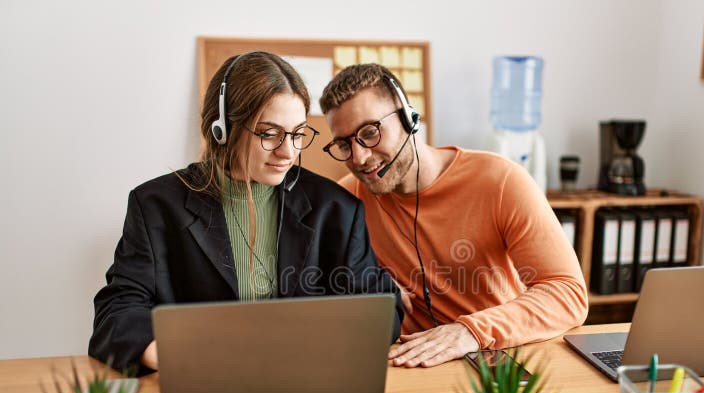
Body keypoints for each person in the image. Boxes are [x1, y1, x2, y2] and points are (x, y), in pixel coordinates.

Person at [90, 52, 402, 375]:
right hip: (201, 386)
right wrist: (166, 355)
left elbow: (384, 309)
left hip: (306, 383)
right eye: (269, 134)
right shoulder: (155, 206)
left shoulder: (335, 209)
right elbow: (117, 311)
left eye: (297, 134)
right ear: (222, 129)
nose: (288, 152)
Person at [319, 64, 587, 369]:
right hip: (409, 366)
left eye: (370, 132)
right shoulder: (348, 199)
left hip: (495, 359)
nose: (359, 157)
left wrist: (469, 331)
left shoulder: (500, 181)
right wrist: (373, 280)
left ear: (409, 119)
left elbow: (567, 292)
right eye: (344, 144)